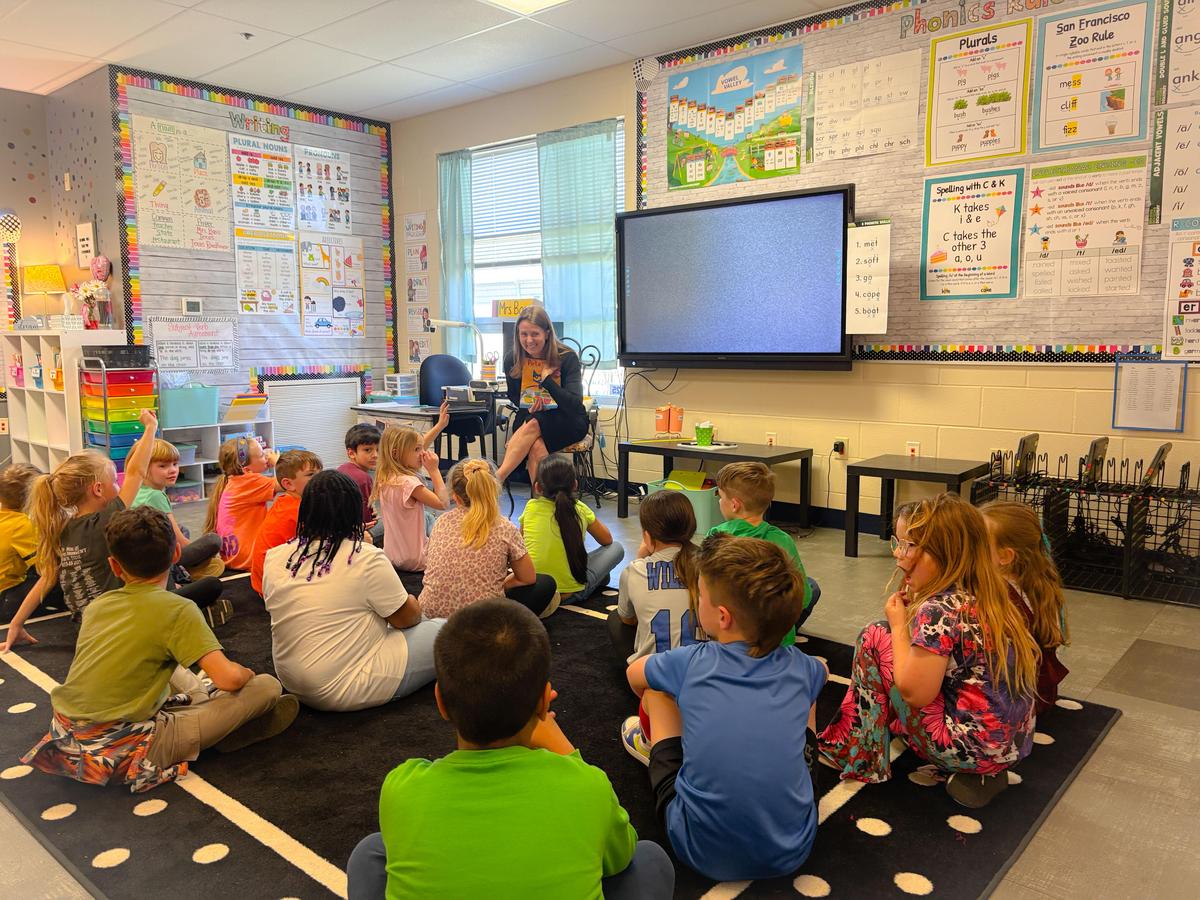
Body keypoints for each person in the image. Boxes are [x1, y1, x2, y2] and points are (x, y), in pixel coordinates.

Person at [346, 599, 674, 900]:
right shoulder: (588, 786)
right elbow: (621, 855)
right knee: (649, 859)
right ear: (545, 701)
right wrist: (566, 751)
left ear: (440, 703)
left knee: (371, 851)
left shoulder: (401, 787)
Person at [21, 506, 297, 792]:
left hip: (66, 734)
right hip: (123, 748)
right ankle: (220, 725)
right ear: (176, 554)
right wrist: (244, 673)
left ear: (115, 565)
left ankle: (209, 711)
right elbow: (228, 679)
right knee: (266, 686)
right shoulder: (178, 609)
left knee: (167, 662)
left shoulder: (97, 606)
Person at [624, 534, 826, 882]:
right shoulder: (803, 666)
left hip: (699, 849)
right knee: (809, 689)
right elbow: (820, 671)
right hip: (794, 847)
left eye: (699, 595)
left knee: (656, 695)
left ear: (722, 616)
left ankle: (651, 746)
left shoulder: (691, 661)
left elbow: (634, 675)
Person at [818, 493, 1039, 809]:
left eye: (910, 547)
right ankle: (979, 773)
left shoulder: (940, 609)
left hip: (967, 750)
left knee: (875, 636)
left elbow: (915, 693)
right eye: (898, 542)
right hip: (1009, 746)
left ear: (947, 554)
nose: (898, 556)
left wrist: (898, 626)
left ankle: (858, 755)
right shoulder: (992, 592)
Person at [3, 411, 226, 652]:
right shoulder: (104, 520)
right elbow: (136, 472)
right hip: (122, 626)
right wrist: (151, 427)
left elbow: (47, 579)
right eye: (114, 482)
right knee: (211, 586)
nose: (119, 486)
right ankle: (180, 626)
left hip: (86, 630)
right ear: (98, 489)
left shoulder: (62, 528)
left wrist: (16, 623)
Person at [262, 470, 441, 712]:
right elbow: (407, 618)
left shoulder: (274, 557)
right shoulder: (364, 557)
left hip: (291, 680)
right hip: (343, 684)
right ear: (353, 511)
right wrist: (409, 599)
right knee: (448, 631)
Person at [419, 458, 559, 619]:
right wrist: (501, 584)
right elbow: (528, 578)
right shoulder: (505, 528)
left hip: (429, 615)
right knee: (545, 583)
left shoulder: (441, 522)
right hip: (483, 623)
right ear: (493, 491)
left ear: (455, 497)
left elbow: (429, 565)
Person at [981, 500, 1070, 715]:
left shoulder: (998, 596)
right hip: (1040, 695)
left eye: (977, 542)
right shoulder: (1038, 583)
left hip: (1014, 705)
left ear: (1005, 556)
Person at [709, 461, 815, 627]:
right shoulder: (783, 540)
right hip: (775, 637)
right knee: (811, 586)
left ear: (735, 505)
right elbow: (804, 597)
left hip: (729, 629)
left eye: (720, 496)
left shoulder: (715, 536)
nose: (719, 501)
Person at [494, 306, 588, 486]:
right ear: (518, 334)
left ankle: (497, 478)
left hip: (568, 418)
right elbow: (514, 396)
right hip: (531, 414)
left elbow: (575, 404)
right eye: (524, 334)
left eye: (534, 334)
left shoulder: (567, 357)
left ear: (546, 333)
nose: (529, 340)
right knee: (536, 445)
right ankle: (542, 506)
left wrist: (547, 381)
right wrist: (530, 403)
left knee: (535, 423)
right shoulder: (512, 359)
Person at [608, 489, 698, 664]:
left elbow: (627, 619)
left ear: (647, 536)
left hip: (651, 674)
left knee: (615, 619)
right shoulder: (710, 565)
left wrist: (641, 557)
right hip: (703, 670)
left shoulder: (635, 570)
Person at [520, 454, 623, 603]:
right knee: (617, 548)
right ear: (575, 485)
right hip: (571, 594)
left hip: (537, 592)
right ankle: (596, 578)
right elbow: (607, 540)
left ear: (537, 487)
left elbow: (520, 546)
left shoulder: (530, 508)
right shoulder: (580, 509)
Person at [133, 439, 223, 580]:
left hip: (139, 559)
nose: (173, 470)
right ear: (144, 467)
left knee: (183, 529)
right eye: (163, 466)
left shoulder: (137, 491)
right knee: (214, 540)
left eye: (175, 464)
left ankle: (190, 567)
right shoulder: (156, 496)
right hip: (159, 560)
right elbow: (179, 542)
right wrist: (204, 555)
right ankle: (186, 569)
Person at [373, 425, 447, 584]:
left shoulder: (385, 476)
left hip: (392, 555)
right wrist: (434, 470)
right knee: (446, 529)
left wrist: (440, 425)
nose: (423, 454)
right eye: (417, 450)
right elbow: (443, 503)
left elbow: (411, 446)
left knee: (428, 518)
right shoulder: (409, 483)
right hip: (417, 559)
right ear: (396, 453)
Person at [249, 450, 322, 595]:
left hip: (263, 581)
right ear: (288, 484)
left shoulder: (286, 502)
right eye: (311, 475)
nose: (320, 479)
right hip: (277, 588)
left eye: (320, 473)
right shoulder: (300, 510)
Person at [205, 437, 280, 572]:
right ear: (246, 468)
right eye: (262, 454)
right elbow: (289, 483)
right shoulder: (249, 481)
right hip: (247, 561)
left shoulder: (233, 480)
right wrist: (278, 463)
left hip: (232, 558)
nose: (267, 456)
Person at [338, 423, 383, 542]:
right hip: (354, 536)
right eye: (368, 450)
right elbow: (366, 520)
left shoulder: (342, 469)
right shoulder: (362, 478)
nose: (375, 455)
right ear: (351, 453)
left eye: (378, 450)